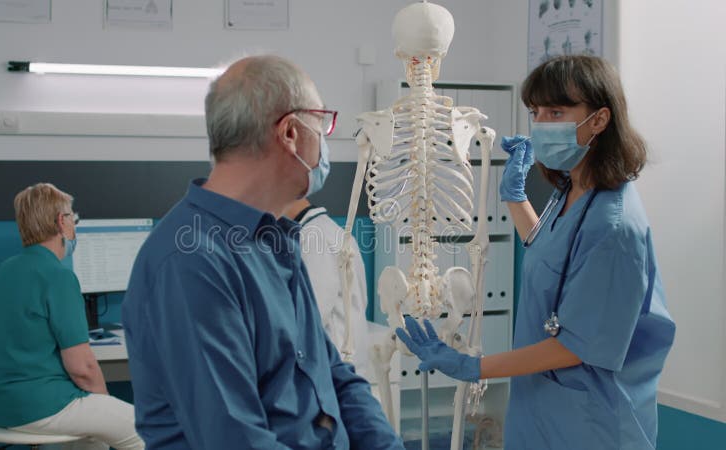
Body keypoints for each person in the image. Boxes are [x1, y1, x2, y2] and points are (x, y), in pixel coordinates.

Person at [122, 55, 403, 450]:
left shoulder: (277, 241)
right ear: (290, 132)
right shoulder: (191, 262)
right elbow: (236, 438)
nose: (325, 140)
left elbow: (333, 375)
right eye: (321, 122)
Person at [395, 55, 675, 449]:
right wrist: (515, 198)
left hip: (589, 424)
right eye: (536, 112)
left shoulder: (614, 228)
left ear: (599, 119)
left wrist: (473, 367)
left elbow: (575, 345)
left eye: (556, 111)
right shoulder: (573, 191)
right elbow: (550, 255)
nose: (541, 124)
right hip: (544, 409)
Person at [0, 183, 144, 450]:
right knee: (144, 432)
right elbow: (83, 369)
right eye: (73, 218)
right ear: (61, 222)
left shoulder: (6, 270)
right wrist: (103, 404)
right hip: (38, 406)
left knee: (94, 441)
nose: (74, 226)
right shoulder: (58, 277)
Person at [283, 198, 371, 378]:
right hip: (342, 369)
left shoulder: (314, 237)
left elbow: (310, 315)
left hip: (332, 371)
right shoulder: (327, 230)